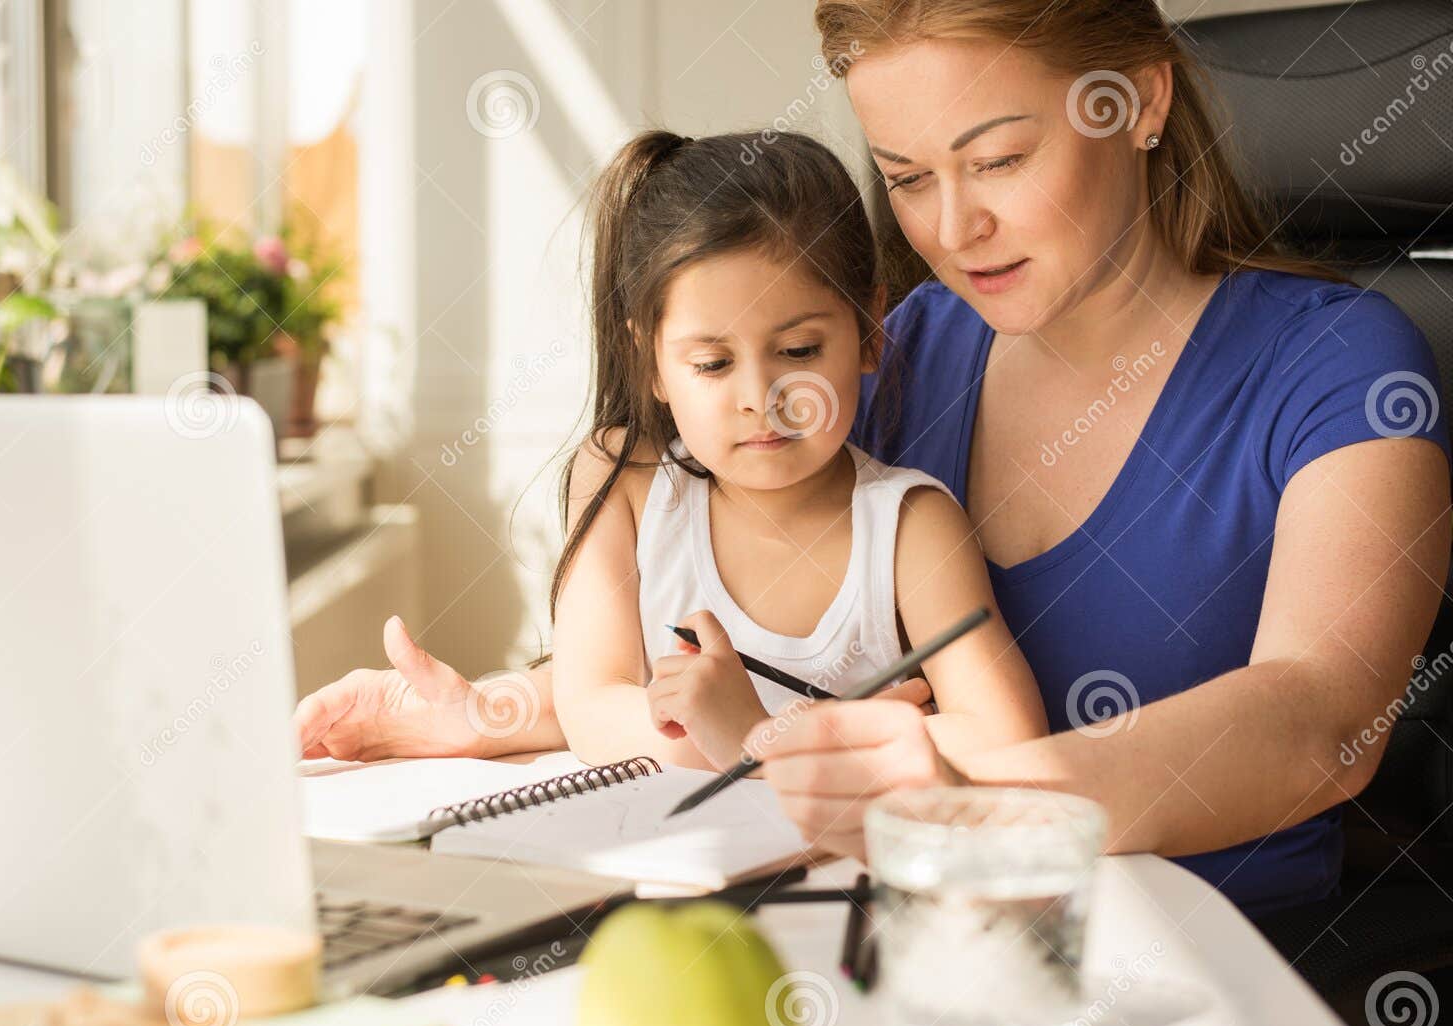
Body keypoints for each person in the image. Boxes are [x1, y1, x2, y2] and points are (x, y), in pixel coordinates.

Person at [295, 0, 1450, 916]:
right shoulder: (885, 358)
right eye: (904, 178)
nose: (950, 228)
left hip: (1201, 970)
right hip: (900, 937)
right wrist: (500, 712)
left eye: (996, 159)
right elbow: (756, 668)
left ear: (1136, 100)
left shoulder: (1341, 366)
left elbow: (1322, 724)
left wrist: (982, 793)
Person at [546, 129, 1044, 772]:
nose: (761, 397)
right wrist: (808, 738)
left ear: (869, 332)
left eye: (800, 352)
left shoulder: (910, 525)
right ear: (653, 364)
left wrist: (754, 736)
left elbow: (1009, 740)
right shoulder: (626, 480)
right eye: (713, 362)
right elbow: (590, 710)